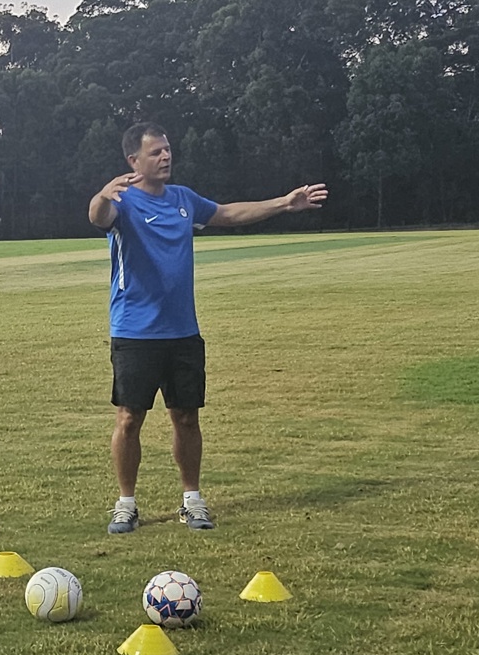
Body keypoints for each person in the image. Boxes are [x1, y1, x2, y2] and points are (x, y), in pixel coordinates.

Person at [89, 122, 328, 534]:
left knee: (186, 417)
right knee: (129, 419)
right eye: (155, 152)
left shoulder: (183, 200)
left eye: (167, 150)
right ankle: (126, 504)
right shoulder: (122, 203)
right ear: (133, 161)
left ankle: (192, 501)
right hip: (135, 332)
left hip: (182, 331)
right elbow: (98, 217)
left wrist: (285, 204)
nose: (166, 157)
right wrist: (101, 195)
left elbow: (228, 213)